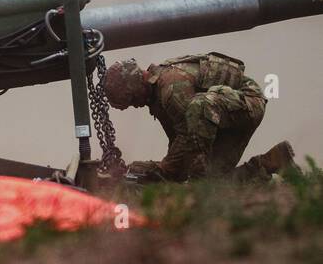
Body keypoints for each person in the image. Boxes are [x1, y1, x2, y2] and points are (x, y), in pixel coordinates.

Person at [101, 52, 296, 182]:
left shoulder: (170, 88)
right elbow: (179, 141)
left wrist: (163, 169)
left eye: (132, 99)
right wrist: (166, 169)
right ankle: (274, 160)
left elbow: (190, 136)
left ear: (135, 84)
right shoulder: (158, 97)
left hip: (245, 103)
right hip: (221, 114)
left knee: (199, 109)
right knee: (216, 184)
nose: (135, 105)